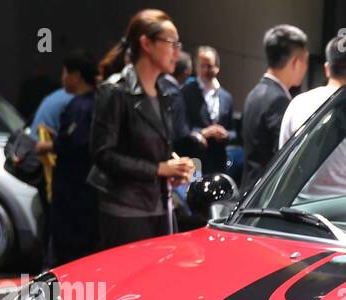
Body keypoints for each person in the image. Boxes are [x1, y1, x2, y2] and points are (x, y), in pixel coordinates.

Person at [90, 9, 198, 249]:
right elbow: (103, 154)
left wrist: (174, 166)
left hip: (158, 203)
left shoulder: (163, 93)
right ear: (146, 44)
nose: (177, 53)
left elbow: (151, 146)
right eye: (171, 43)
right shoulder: (115, 90)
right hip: (125, 209)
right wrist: (159, 168)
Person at [277, 31, 346, 198]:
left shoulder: (297, 103)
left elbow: (282, 165)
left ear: (327, 69)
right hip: (342, 216)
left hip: (293, 211)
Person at [35, 52, 99, 264]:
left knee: (68, 248)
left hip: (73, 188)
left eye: (65, 73)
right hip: (89, 187)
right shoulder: (97, 101)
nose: (62, 79)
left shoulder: (79, 106)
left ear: (76, 76)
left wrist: (50, 145)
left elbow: (75, 143)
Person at [241, 24, 308, 190]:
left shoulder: (255, 92)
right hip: (264, 195)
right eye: (305, 60)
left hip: (249, 188)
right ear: (295, 62)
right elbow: (283, 155)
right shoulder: (278, 100)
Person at [181, 46, 234, 176]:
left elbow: (234, 132)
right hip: (194, 160)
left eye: (209, 66)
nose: (205, 70)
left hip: (218, 162)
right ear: (196, 67)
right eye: (202, 66)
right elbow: (180, 128)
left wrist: (226, 134)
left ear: (217, 67)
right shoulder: (186, 92)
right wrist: (203, 132)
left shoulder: (226, 97)